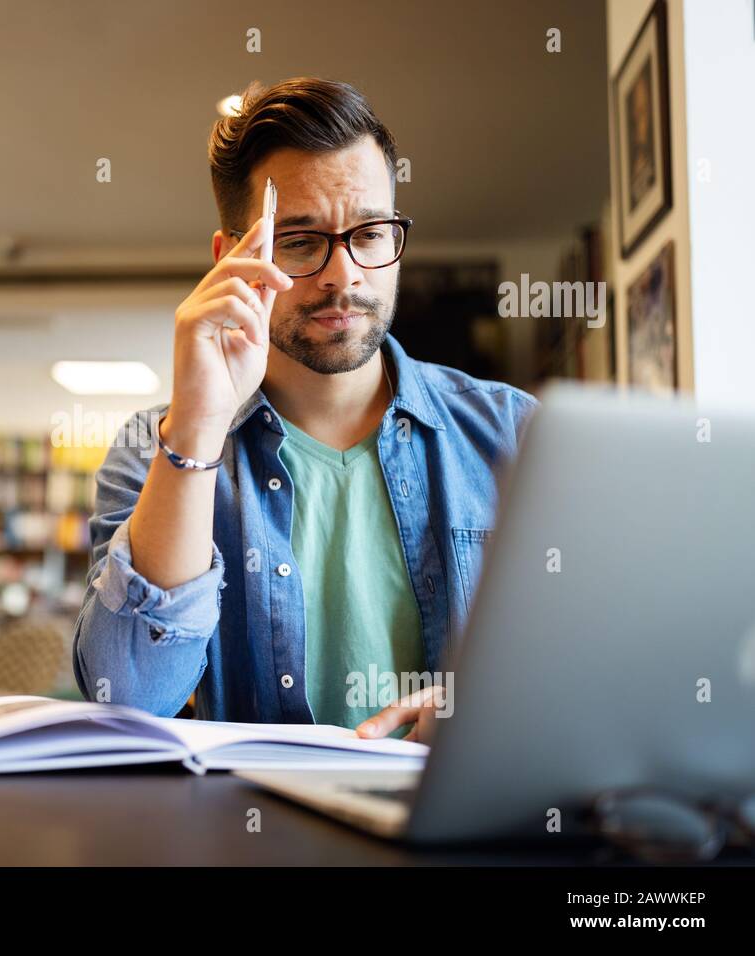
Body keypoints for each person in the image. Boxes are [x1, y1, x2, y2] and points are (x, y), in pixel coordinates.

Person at [72, 77, 537, 740]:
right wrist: (200, 426)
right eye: (299, 240)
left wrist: (491, 709)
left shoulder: (515, 435)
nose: (343, 274)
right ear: (232, 259)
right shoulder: (155, 446)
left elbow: (602, 664)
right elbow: (129, 701)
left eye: (370, 233)